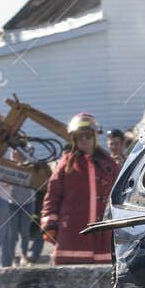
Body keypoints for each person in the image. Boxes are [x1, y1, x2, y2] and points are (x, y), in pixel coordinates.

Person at [41, 113, 119, 265]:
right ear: (74, 139)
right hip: (72, 237)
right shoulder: (66, 164)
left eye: (88, 135)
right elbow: (53, 196)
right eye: (79, 136)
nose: (83, 139)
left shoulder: (109, 164)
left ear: (95, 136)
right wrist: (50, 224)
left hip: (104, 238)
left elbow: (120, 196)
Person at [0, 136, 35, 267]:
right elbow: (5, 182)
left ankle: (3, 263)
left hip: (0, 200)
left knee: (5, 235)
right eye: (13, 150)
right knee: (0, 234)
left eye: (16, 150)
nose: (14, 152)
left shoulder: (5, 163)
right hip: (0, 199)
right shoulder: (5, 164)